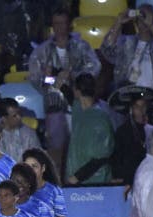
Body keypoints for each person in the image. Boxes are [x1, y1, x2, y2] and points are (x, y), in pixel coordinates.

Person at [28, 7, 101, 175]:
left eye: (63, 23)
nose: (59, 27)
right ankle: (57, 183)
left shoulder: (81, 46)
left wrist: (73, 76)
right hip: (55, 105)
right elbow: (34, 77)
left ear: (69, 25)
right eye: (56, 24)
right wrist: (51, 79)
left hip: (79, 103)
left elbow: (95, 66)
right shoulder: (42, 50)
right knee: (56, 150)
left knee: (81, 146)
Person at [100, 6, 153, 95]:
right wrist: (118, 22)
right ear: (136, 21)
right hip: (128, 95)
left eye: (146, 17)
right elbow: (107, 49)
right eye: (141, 17)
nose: (144, 21)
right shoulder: (127, 43)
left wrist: (151, 26)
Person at [65, 74, 114, 185]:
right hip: (78, 183)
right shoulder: (79, 110)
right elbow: (68, 94)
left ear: (77, 91)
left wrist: (77, 177)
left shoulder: (100, 119)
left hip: (96, 183)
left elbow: (101, 157)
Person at [113, 95, 149, 189]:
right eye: (137, 107)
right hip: (129, 179)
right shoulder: (123, 131)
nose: (141, 110)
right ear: (131, 109)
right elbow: (117, 157)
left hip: (149, 178)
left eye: (143, 106)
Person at [0, 98, 41, 163]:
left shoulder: (29, 133)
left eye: (19, 113)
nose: (19, 117)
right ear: (4, 119)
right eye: (14, 116)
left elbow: (38, 157)